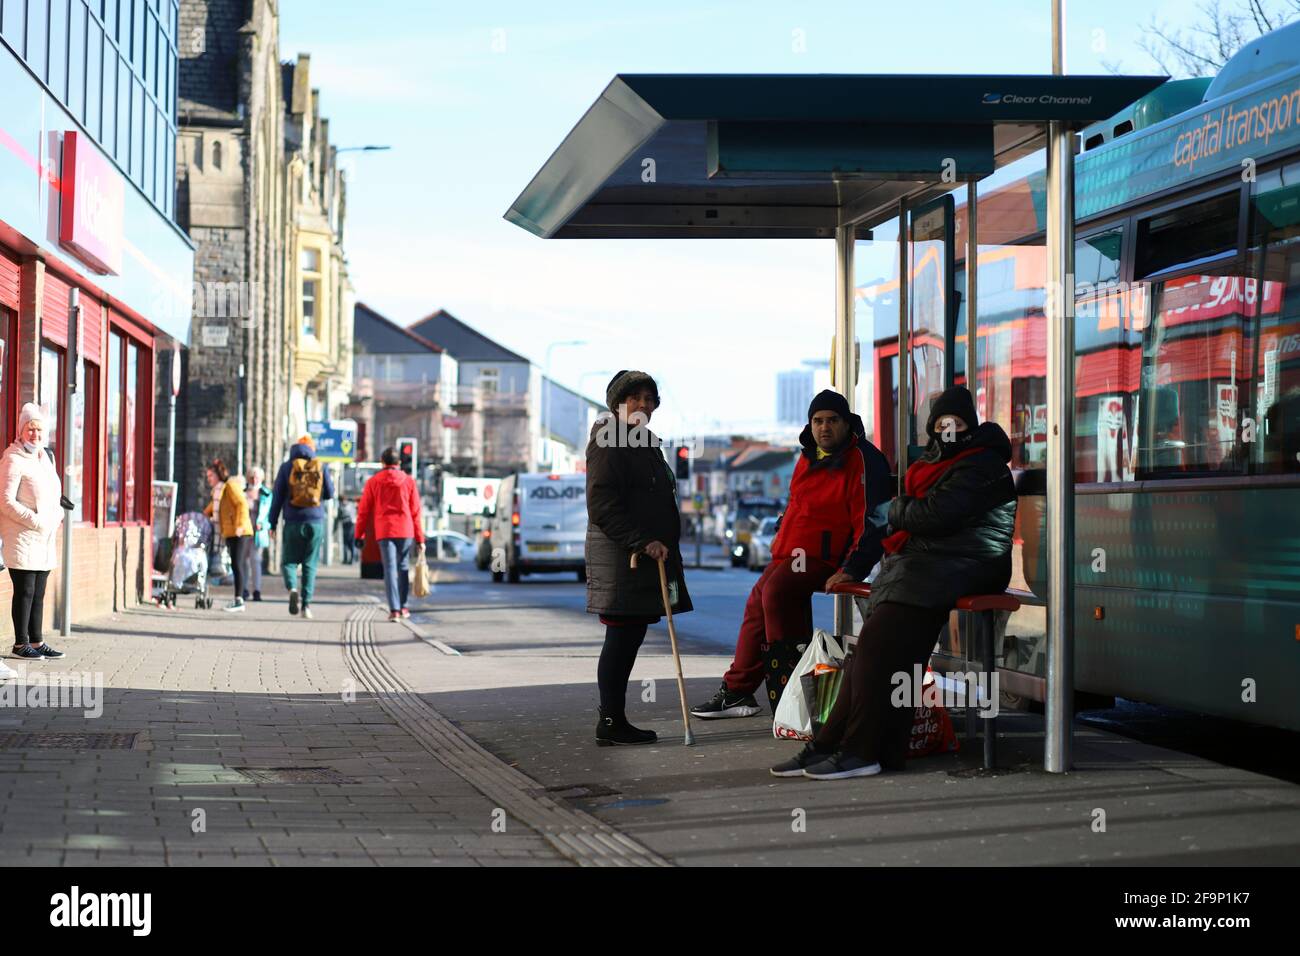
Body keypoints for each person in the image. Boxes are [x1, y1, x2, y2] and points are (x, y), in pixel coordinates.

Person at [770, 385, 1017, 780]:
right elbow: (918, 515)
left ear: (968, 425)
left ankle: (859, 751)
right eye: (941, 424)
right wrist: (905, 511)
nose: (947, 430)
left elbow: (934, 515)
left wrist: (900, 508)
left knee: (875, 647)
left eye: (955, 423)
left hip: (970, 565)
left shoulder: (982, 463)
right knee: (872, 651)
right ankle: (832, 745)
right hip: (936, 567)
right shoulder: (945, 461)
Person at [692, 390, 891, 720]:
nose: (824, 427)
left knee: (777, 591)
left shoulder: (863, 459)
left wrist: (853, 568)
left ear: (846, 423)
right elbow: (799, 506)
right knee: (759, 601)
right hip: (790, 554)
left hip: (826, 560)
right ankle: (739, 691)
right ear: (810, 425)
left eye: (832, 420)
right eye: (818, 421)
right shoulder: (808, 457)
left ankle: (793, 694)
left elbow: (874, 519)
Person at [585, 370, 693, 746]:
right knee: (622, 635)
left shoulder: (642, 441)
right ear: (617, 403)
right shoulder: (609, 437)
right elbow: (602, 504)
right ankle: (611, 721)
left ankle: (614, 720)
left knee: (629, 636)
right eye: (636, 398)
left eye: (650, 399)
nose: (644, 405)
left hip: (642, 556)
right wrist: (642, 541)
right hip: (623, 557)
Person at [0, 403, 67, 661]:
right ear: (21, 430)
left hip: (44, 537)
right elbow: (5, 501)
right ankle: (20, 644)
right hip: (23, 535)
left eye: (38, 430)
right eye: (30, 429)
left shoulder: (44, 458)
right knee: (25, 590)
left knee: (38, 591)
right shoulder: (13, 458)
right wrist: (35, 520)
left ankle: (37, 642)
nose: (34, 435)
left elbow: (54, 495)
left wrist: (58, 515)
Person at [354, 448, 424, 622]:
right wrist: (420, 538)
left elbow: (363, 511)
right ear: (399, 463)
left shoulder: (373, 482)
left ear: (382, 463)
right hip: (405, 530)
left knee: (390, 569)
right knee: (403, 567)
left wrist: (359, 534)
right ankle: (404, 606)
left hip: (385, 530)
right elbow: (416, 511)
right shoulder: (409, 482)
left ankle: (394, 611)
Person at [269, 434, 334, 621]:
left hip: (292, 522)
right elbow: (329, 493)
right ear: (312, 448)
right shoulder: (320, 466)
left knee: (288, 562)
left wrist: (272, 523)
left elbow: (277, 498)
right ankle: (306, 606)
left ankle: (292, 588)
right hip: (315, 522)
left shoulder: (286, 467)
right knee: (309, 564)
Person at [218, 472, 254, 612]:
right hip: (233, 531)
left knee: (237, 564)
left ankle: (239, 599)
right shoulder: (226, 489)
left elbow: (241, 504)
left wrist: (239, 525)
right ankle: (239, 597)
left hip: (240, 532)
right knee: (237, 564)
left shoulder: (231, 486)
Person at [246, 466, 272, 600]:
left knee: (255, 560)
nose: (254, 479)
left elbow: (270, 516)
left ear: (261, 478)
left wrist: (264, 525)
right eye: (252, 476)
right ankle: (244, 589)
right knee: (243, 561)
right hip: (244, 530)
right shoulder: (243, 492)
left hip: (258, 532)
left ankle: (256, 590)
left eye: (257, 476)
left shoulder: (267, 494)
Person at [337, 496, 358, 565]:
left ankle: (348, 559)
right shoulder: (352, 505)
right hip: (352, 524)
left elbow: (339, 517)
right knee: (350, 543)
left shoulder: (341, 507)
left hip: (347, 525)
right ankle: (352, 559)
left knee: (346, 543)